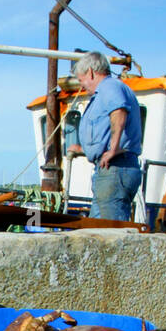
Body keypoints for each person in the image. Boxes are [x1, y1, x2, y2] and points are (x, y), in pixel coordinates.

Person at [67, 51, 143, 222]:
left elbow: (118, 112)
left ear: (91, 73)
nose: (82, 86)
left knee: (111, 231)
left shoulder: (109, 87)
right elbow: (105, 132)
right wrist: (85, 149)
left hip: (115, 169)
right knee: (97, 229)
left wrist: (113, 149)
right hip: (111, 169)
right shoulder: (110, 89)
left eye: (81, 80)